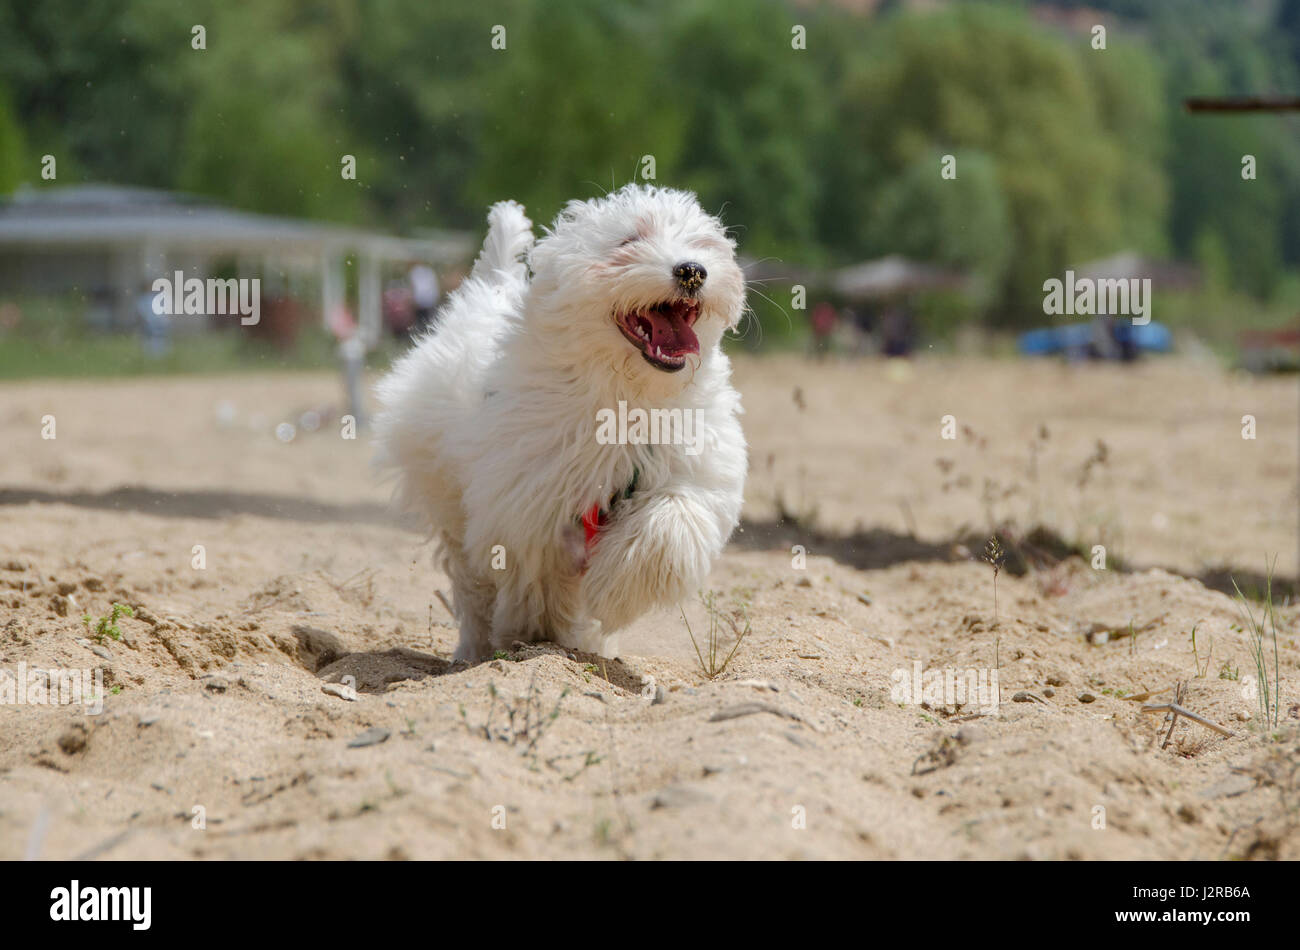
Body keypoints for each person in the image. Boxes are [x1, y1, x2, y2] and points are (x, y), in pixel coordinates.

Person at [408, 262, 440, 336]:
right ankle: (424, 334)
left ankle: (422, 334)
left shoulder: (415, 273)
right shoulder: (429, 272)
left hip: (423, 302)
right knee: (426, 321)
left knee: (422, 321)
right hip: (426, 301)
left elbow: (413, 287)